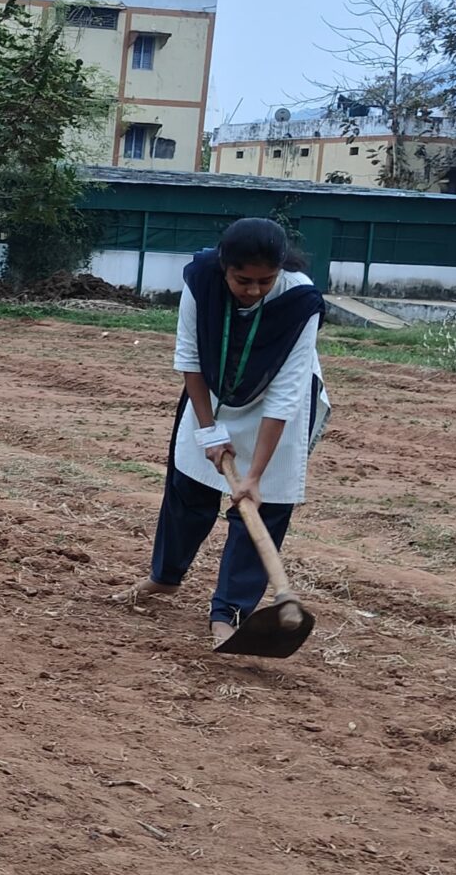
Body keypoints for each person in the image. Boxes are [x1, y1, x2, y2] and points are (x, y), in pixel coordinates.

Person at [135, 215, 330, 646]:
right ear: (224, 266)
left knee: (263, 508)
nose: (254, 290)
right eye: (243, 280)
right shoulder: (201, 279)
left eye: (265, 280)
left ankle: (230, 612)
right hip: (213, 391)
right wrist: (208, 431)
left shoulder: (301, 303)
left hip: (279, 408)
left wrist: (255, 475)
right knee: (188, 489)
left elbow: (285, 395)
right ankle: (165, 577)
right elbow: (189, 356)